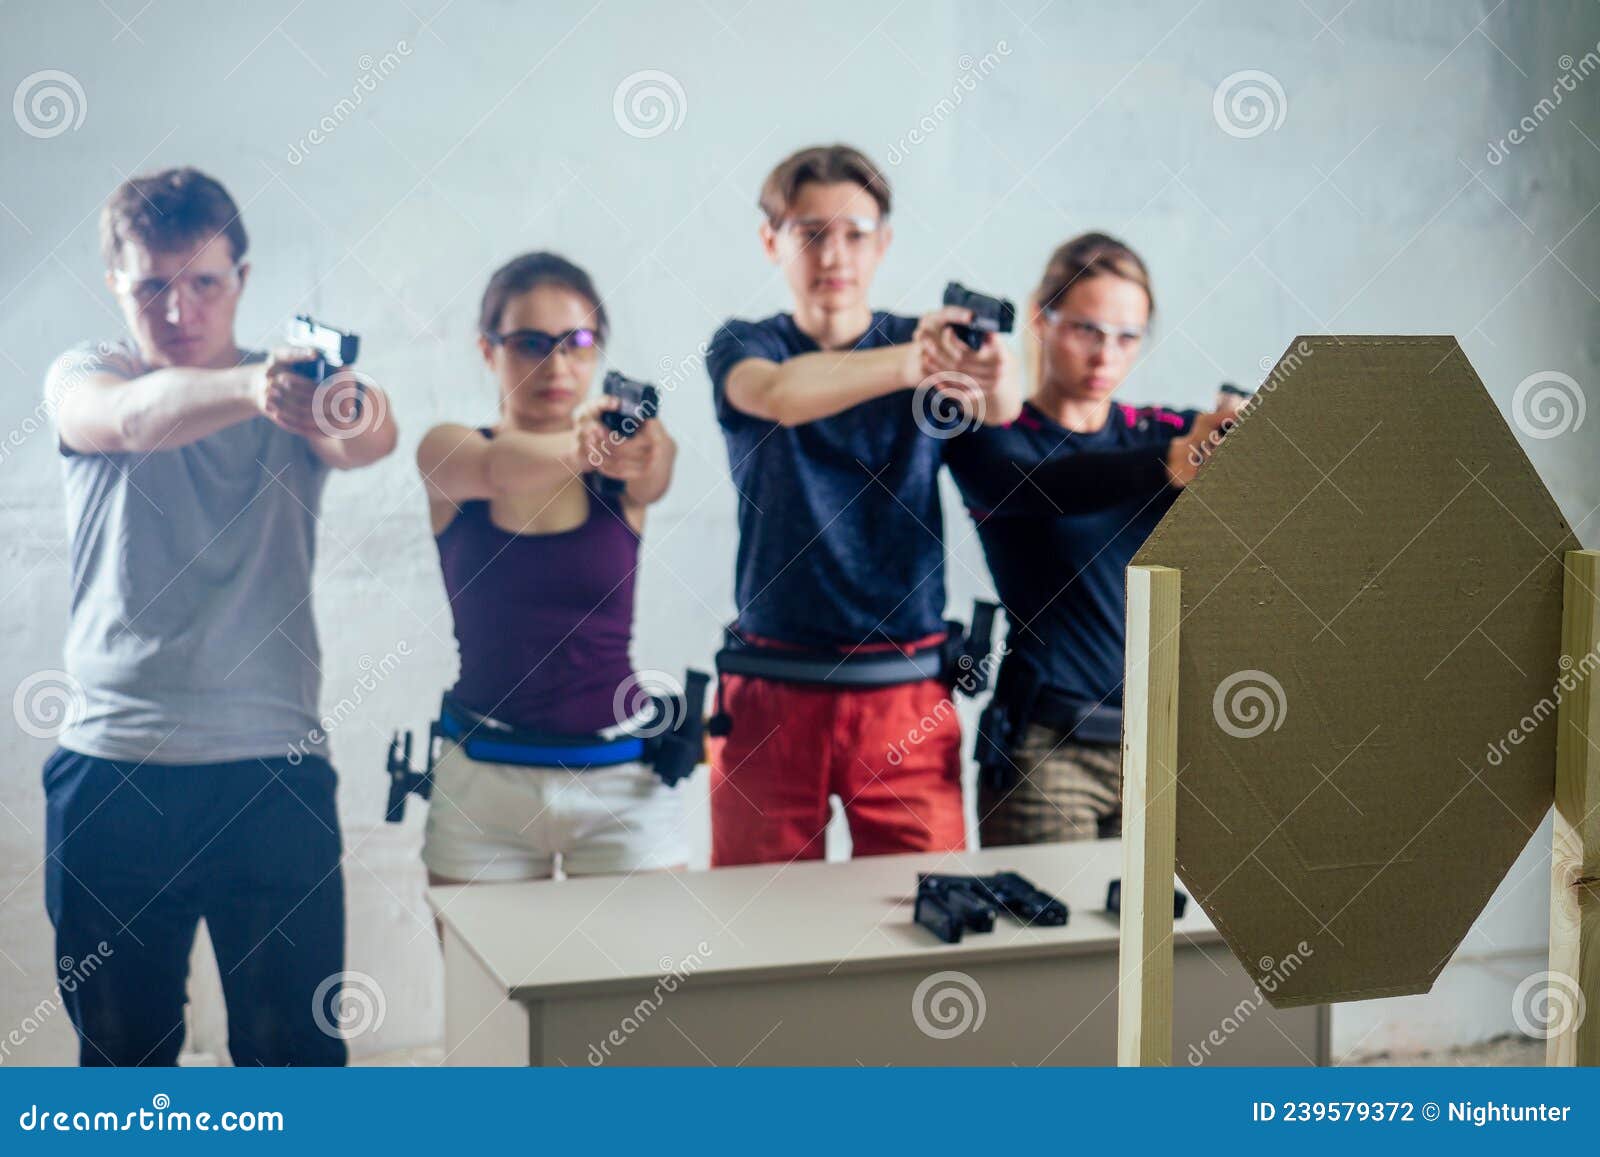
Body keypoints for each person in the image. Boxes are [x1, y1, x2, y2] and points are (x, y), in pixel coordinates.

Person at [704, 146, 1221, 866]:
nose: (835, 254)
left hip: (906, 693)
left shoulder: (930, 345)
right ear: (772, 240)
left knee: (927, 916)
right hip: (771, 687)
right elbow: (780, 395)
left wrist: (990, 372)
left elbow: (1006, 427)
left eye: (855, 232)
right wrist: (922, 363)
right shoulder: (745, 344)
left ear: (884, 243)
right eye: (810, 231)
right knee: (759, 927)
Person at [42, 167, 398, 1066]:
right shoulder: (88, 373)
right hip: (115, 770)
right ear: (116, 284)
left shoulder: (292, 389)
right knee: (122, 1069)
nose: (179, 308)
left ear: (241, 277)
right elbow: (127, 421)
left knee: (298, 1068)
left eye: (204, 281)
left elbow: (369, 437)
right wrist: (255, 392)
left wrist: (340, 404)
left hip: (271, 774)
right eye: (152, 284)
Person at [946, 232, 1228, 846]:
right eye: (1087, 330)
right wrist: (1173, 461)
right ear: (1043, 321)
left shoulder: (1157, 431)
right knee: (1049, 940)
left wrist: (1235, 438)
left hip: (1162, 749)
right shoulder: (994, 436)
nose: (1106, 355)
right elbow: (1039, 485)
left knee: (1158, 944)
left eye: (1127, 337)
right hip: (1047, 754)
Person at [415, 252, 687, 884]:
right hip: (483, 779)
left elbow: (658, 464)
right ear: (488, 350)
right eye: (530, 344)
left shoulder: (626, 456)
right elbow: (494, 468)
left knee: (644, 984)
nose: (556, 365)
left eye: (577, 342)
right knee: (483, 986)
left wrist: (644, 445)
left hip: (623, 781)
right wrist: (586, 447)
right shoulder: (450, 448)